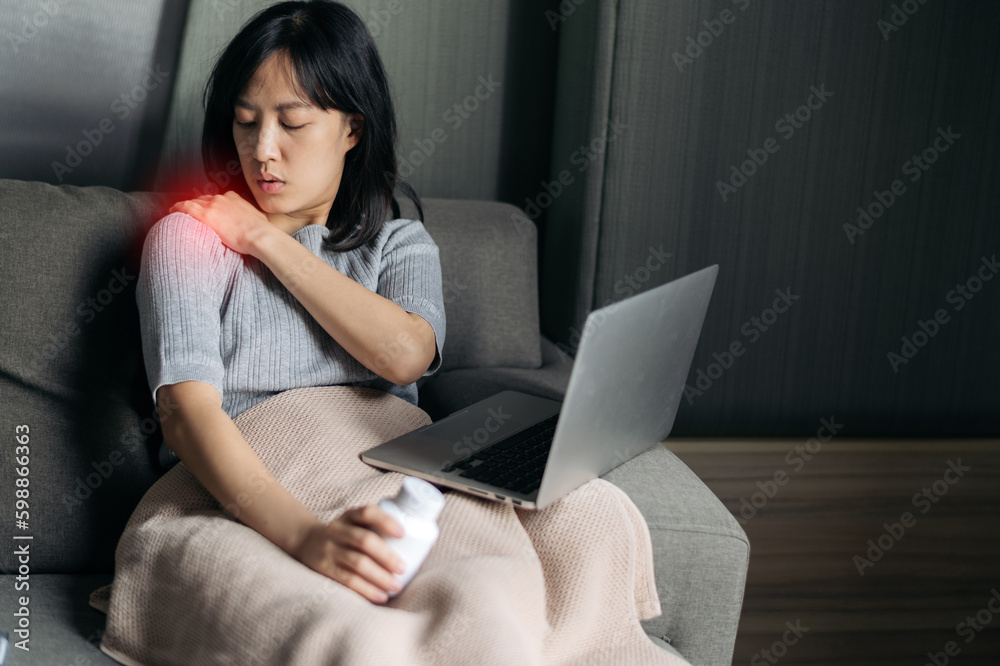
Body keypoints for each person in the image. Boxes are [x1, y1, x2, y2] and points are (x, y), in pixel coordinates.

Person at [136, 0, 446, 607]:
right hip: (247, 505)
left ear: (352, 129)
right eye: (245, 122)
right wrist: (307, 537)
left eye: (293, 123)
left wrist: (265, 239)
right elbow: (184, 412)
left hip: (385, 485)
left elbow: (405, 356)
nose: (262, 149)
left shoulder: (400, 245)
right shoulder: (188, 238)